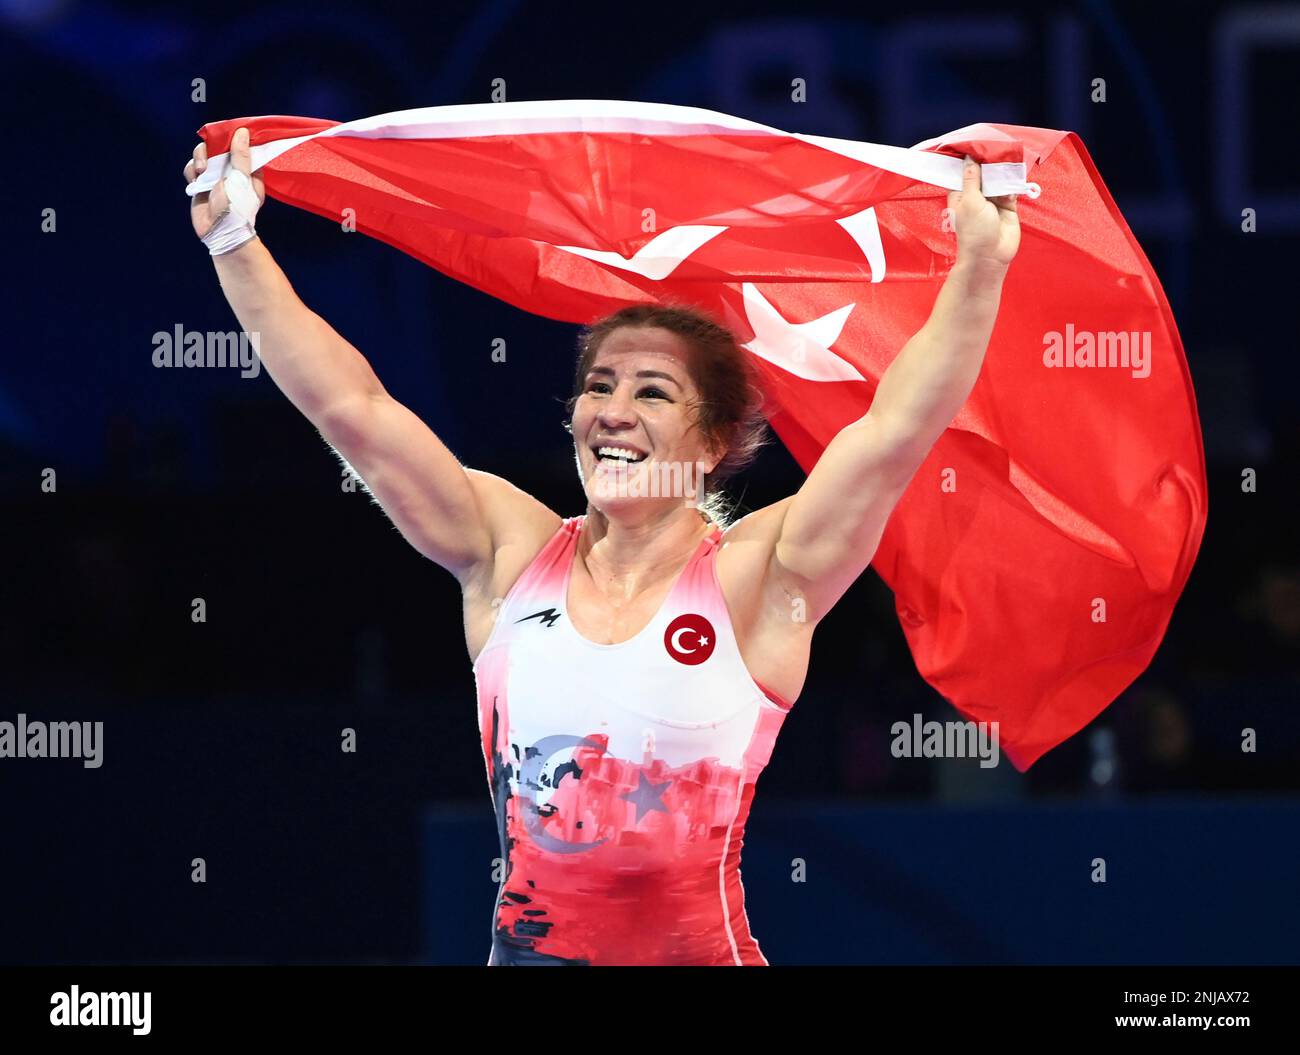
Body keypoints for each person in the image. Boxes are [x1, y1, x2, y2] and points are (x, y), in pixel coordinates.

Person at [184, 127, 1020, 965]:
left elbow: (893, 430)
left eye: (652, 391)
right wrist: (234, 243)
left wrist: (980, 265)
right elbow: (354, 411)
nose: (612, 411)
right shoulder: (506, 554)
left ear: (711, 441)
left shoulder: (760, 579)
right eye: (598, 385)